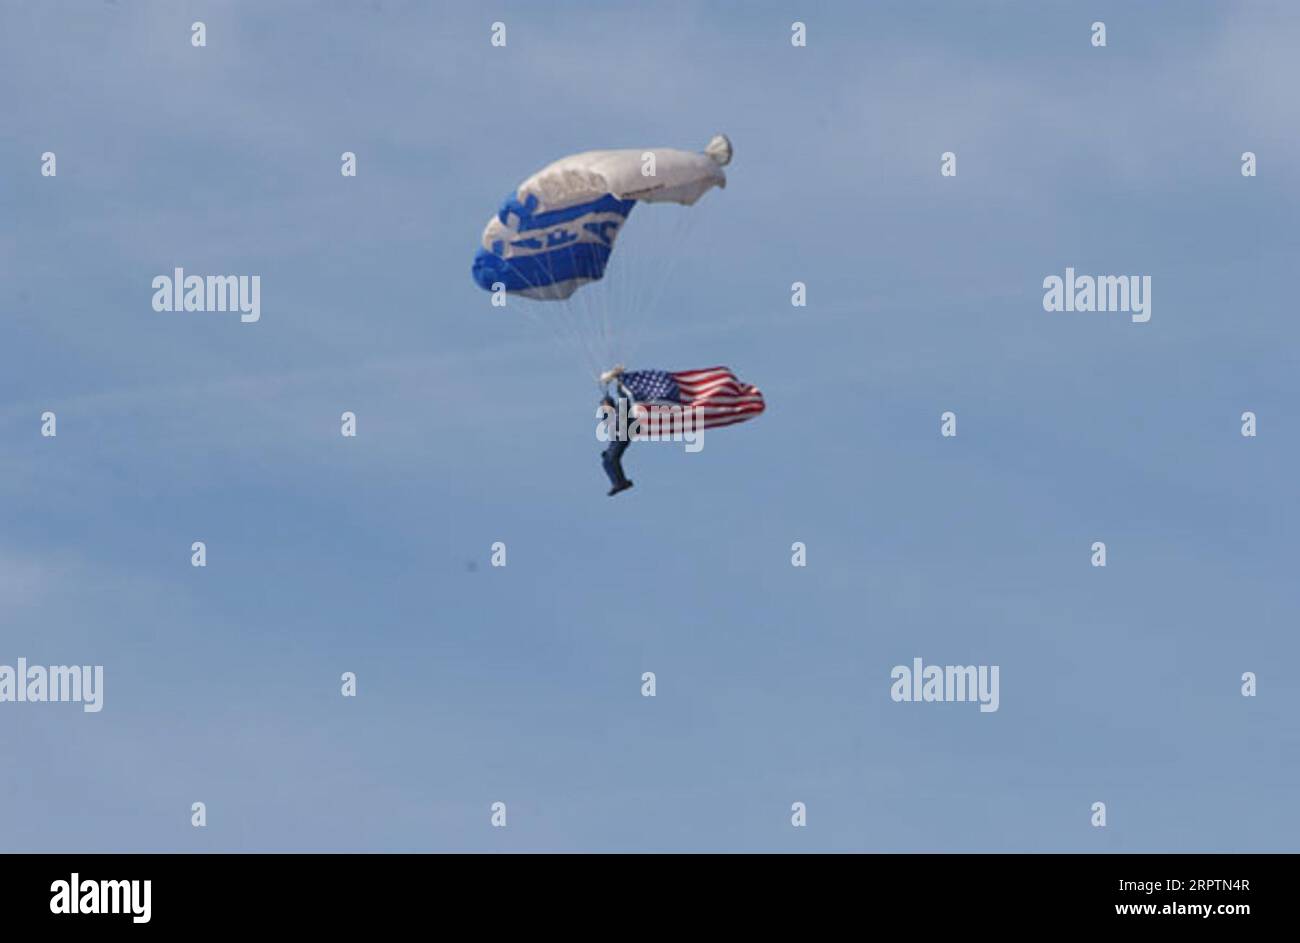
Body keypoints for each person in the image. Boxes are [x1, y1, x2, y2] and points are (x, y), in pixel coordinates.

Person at [598, 366, 634, 496]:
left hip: (622, 436)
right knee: (607, 460)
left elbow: (624, 397)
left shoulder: (621, 410)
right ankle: (621, 482)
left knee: (610, 459)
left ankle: (620, 483)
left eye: (604, 406)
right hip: (618, 438)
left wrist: (619, 381)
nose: (603, 408)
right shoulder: (610, 416)